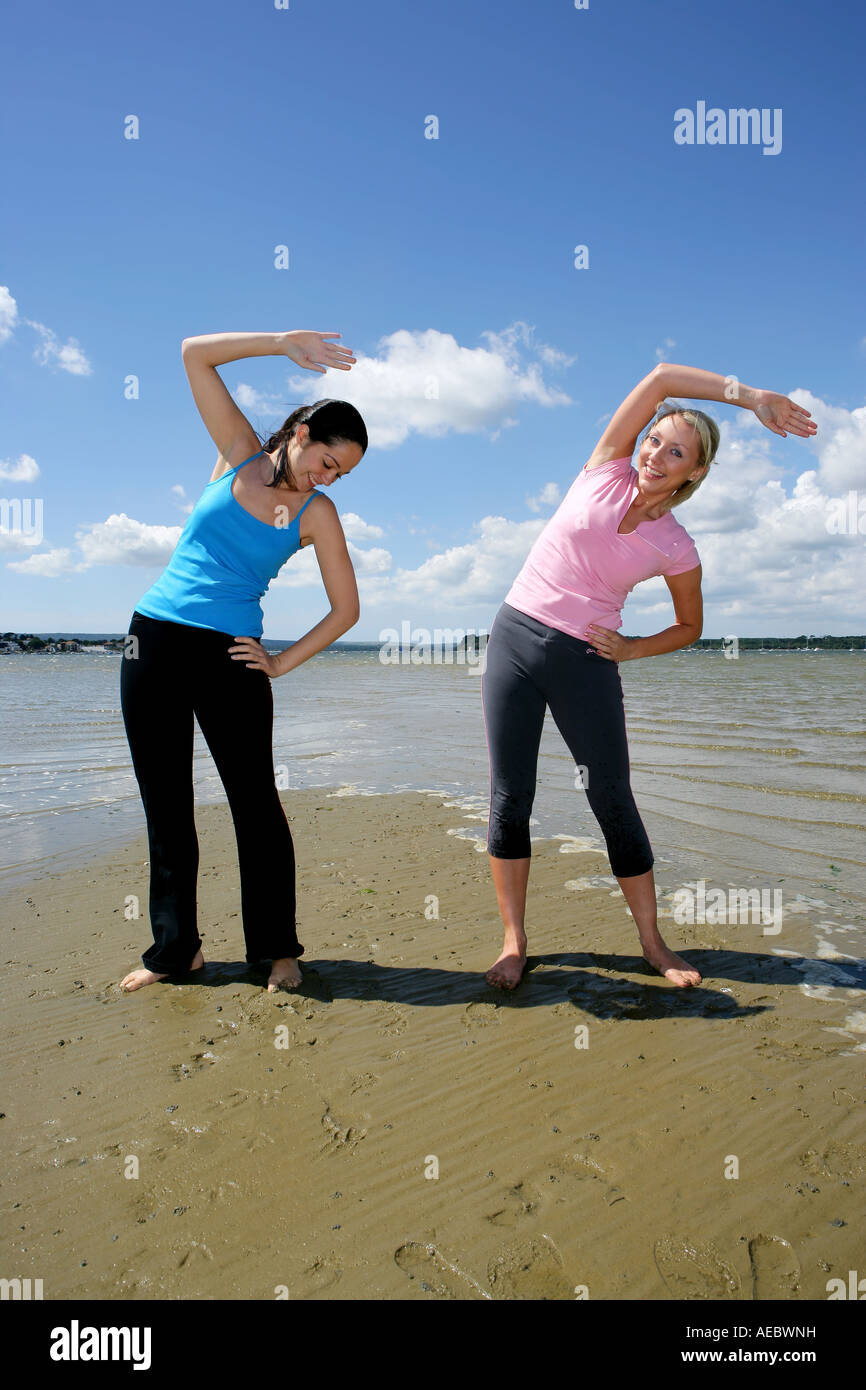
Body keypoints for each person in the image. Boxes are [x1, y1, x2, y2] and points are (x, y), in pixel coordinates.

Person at [482, 361, 817, 990]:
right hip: (515, 640)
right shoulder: (602, 469)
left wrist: (632, 650)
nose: (656, 454)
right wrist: (751, 398)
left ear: (696, 472)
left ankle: (653, 941)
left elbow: (690, 626)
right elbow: (662, 377)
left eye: (677, 452)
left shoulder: (677, 545)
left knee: (612, 798)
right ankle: (514, 941)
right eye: (654, 440)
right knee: (509, 797)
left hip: (588, 661)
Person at [119, 330, 367, 994]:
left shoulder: (317, 514)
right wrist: (282, 343)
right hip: (153, 643)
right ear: (302, 431)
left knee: (256, 805)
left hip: (232, 656)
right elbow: (192, 353)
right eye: (326, 460)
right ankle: (176, 953)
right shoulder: (237, 452)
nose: (327, 476)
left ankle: (278, 951)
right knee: (166, 807)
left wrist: (281, 664)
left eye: (339, 473)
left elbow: (347, 610)